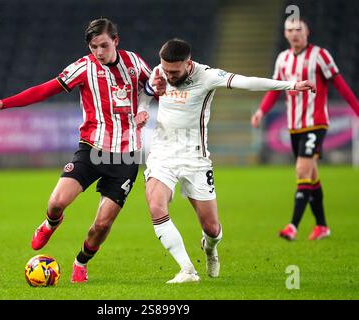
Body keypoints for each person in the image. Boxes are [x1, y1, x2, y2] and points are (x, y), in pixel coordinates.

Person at [0, 18, 153, 283]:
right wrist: (3, 103)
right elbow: (46, 89)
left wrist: (145, 107)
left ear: (116, 41)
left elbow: (157, 87)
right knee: (56, 202)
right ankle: (50, 224)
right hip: (91, 149)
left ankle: (81, 262)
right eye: (93, 47)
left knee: (102, 225)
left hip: (126, 156)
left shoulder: (135, 63)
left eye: (103, 45)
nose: (99, 52)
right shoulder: (83, 67)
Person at [135, 38, 315, 283]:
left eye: (173, 71)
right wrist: (142, 108)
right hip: (162, 155)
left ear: (188, 64)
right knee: (156, 205)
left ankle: (210, 249)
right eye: (165, 69)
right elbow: (145, 94)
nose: (168, 75)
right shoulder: (160, 72)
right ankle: (187, 270)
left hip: (195, 159)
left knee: (212, 228)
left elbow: (246, 82)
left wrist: (291, 85)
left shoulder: (207, 76)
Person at [251, 18, 359, 241]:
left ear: (307, 32)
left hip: (316, 123)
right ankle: (322, 226)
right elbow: (274, 89)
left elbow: (339, 84)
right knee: (311, 175)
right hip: (294, 126)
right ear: (285, 34)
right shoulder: (283, 59)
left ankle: (293, 226)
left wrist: (357, 110)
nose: (294, 33)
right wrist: (261, 111)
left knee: (302, 170)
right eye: (290, 30)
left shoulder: (320, 55)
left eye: (298, 29)